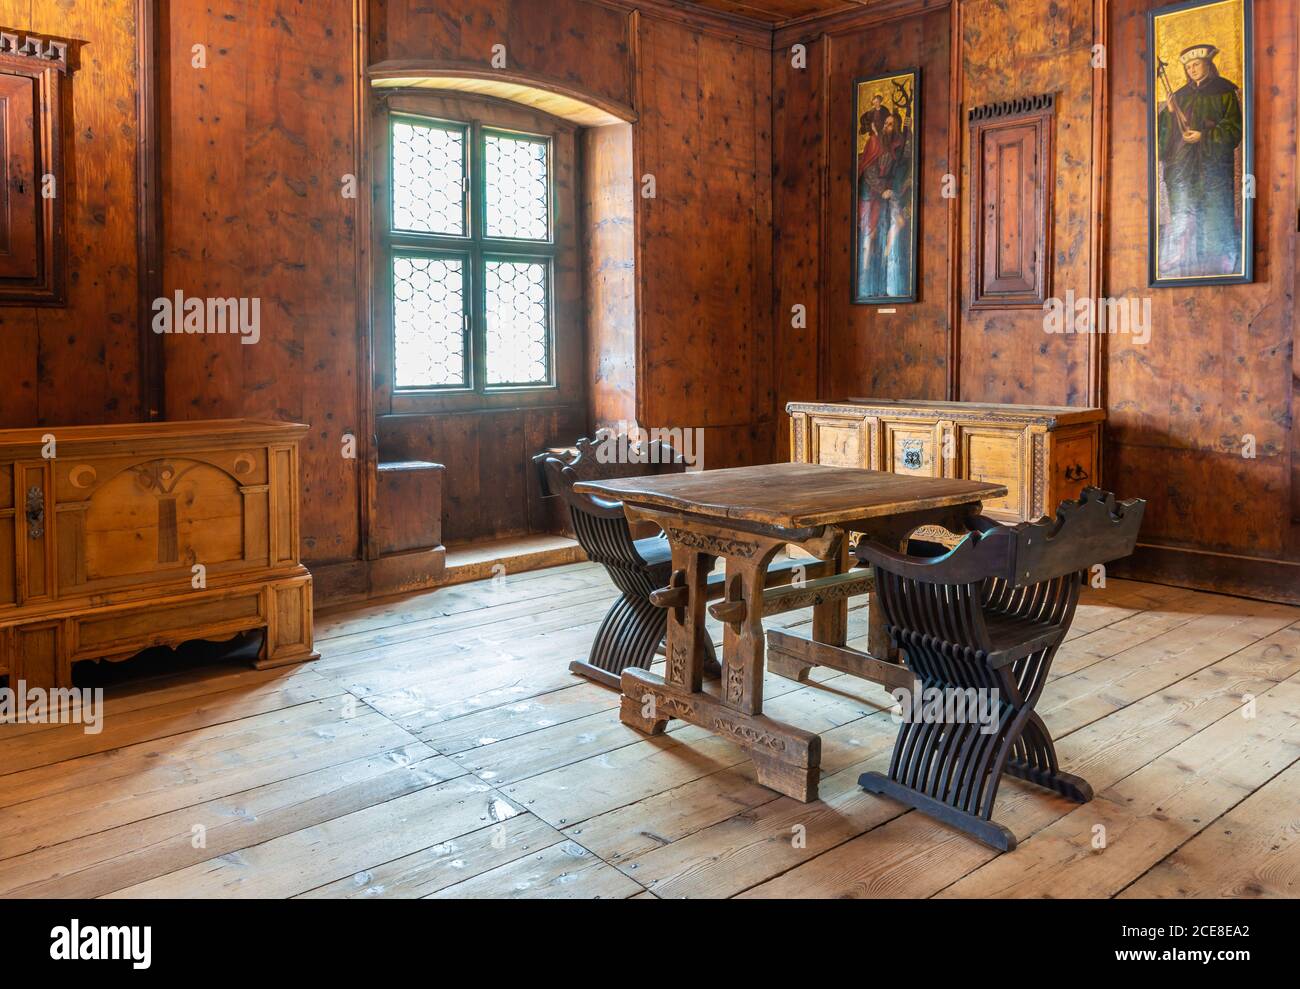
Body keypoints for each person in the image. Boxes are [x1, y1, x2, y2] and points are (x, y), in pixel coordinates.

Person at [1156, 43, 1244, 277]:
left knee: (1215, 208)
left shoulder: (1225, 91)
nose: (1192, 70)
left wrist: (1204, 136)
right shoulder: (1180, 95)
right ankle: (1181, 256)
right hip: (1185, 168)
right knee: (1185, 208)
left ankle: (1220, 259)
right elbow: (1162, 135)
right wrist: (1171, 114)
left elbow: (1234, 130)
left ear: (1208, 64)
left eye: (1196, 64)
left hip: (1213, 166)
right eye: (1188, 67)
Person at [857, 109, 912, 299]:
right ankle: (865, 281)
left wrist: (908, 129)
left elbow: (906, 155)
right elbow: (869, 172)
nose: (889, 127)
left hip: (886, 190)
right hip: (871, 191)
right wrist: (882, 190)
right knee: (869, 236)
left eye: (892, 125)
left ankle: (888, 258)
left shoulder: (894, 144)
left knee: (900, 222)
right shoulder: (874, 142)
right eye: (887, 124)